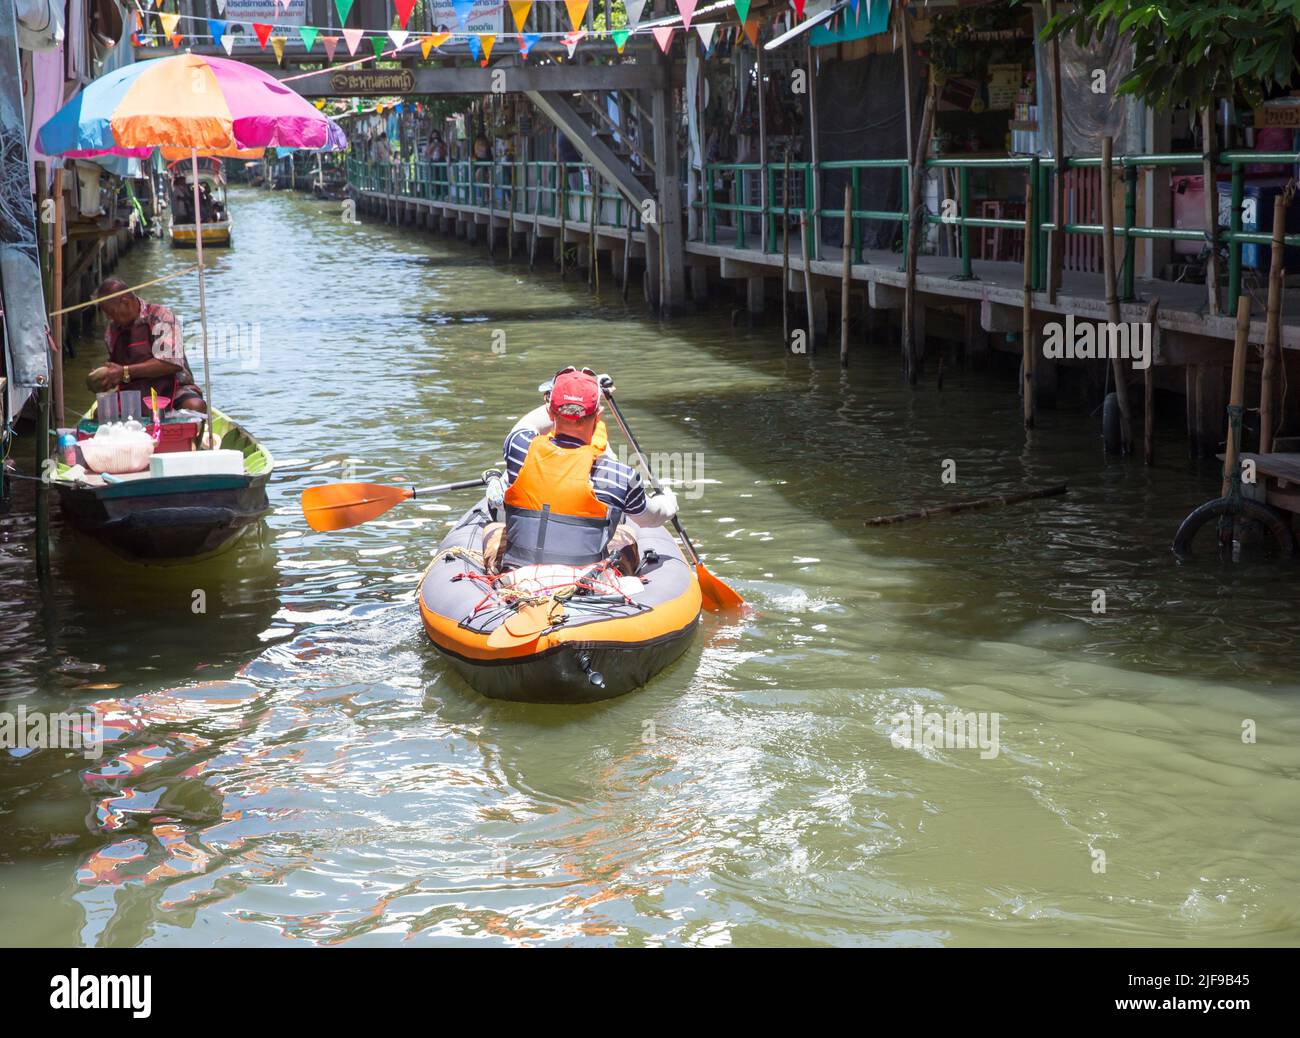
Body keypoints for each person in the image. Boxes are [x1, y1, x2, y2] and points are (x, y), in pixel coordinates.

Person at [483, 367, 678, 574]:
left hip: (518, 574)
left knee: (492, 530)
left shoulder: (518, 448)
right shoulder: (620, 476)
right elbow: (651, 518)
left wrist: (563, 398)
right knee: (628, 535)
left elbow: (527, 424)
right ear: (598, 415)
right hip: (584, 583)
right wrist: (668, 502)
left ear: (550, 411)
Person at [87, 278, 206, 413]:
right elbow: (120, 374)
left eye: (111, 313)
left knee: (195, 405)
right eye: (107, 314)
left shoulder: (160, 316)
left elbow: (171, 364)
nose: (110, 318)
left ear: (126, 302)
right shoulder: (112, 330)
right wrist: (106, 378)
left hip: (174, 388)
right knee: (101, 413)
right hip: (135, 392)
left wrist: (124, 371)